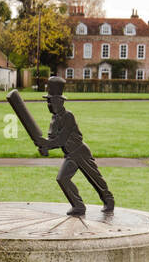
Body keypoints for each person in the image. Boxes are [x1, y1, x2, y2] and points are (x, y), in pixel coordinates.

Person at [38, 76, 115, 216]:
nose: (48, 104)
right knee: (62, 179)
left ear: (59, 101)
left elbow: (61, 140)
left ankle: (109, 200)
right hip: (70, 155)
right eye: (47, 101)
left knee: (94, 178)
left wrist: (46, 144)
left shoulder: (68, 116)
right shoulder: (54, 120)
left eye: (50, 101)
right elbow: (51, 139)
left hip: (80, 152)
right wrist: (44, 147)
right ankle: (78, 206)